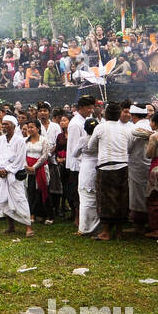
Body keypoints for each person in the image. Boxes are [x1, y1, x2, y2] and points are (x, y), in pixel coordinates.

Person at [87, 102, 132, 241]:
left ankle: (106, 231)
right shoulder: (126, 129)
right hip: (123, 166)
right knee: (121, 198)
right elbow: (129, 147)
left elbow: (90, 146)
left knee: (105, 199)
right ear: (119, 115)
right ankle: (119, 231)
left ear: (106, 114)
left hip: (106, 166)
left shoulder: (100, 128)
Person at [0, 116, 34, 237]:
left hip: (14, 175)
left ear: (14, 126)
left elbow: (20, 160)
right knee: (4, 199)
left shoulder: (19, 141)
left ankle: (28, 227)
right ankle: (11, 226)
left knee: (20, 199)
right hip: (0, 175)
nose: (4, 126)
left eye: (7, 124)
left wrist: (7, 170)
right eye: (3, 124)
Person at [68, 95, 99, 236]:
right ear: (80, 108)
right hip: (78, 165)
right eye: (88, 108)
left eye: (92, 108)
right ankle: (78, 220)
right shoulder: (75, 124)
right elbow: (74, 149)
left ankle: (87, 223)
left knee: (89, 195)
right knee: (79, 196)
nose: (91, 110)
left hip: (88, 164)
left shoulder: (88, 121)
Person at [126, 105, 152, 232]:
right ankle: (150, 221)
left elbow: (128, 148)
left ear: (133, 116)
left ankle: (139, 225)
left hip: (137, 165)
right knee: (149, 193)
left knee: (137, 195)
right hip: (150, 164)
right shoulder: (152, 126)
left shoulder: (134, 128)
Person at [23, 120, 53, 225]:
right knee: (31, 191)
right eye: (28, 127)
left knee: (43, 191)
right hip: (29, 170)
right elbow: (22, 154)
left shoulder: (44, 140)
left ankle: (48, 215)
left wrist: (35, 167)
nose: (30, 129)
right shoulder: (25, 141)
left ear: (38, 128)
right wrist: (27, 166)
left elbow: (45, 155)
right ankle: (32, 214)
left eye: (32, 127)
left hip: (41, 169)